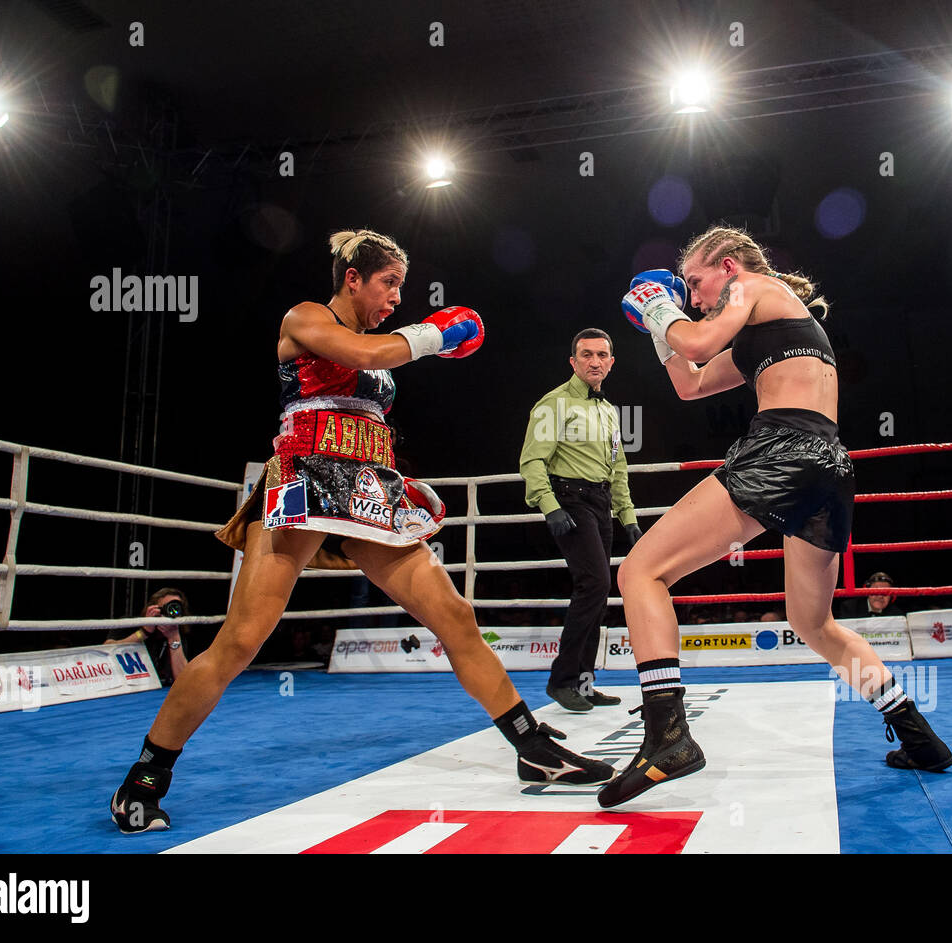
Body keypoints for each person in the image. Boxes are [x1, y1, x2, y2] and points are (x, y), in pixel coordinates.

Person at [108, 229, 613, 834]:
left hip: (368, 486)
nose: (397, 297)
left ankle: (532, 747)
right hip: (302, 481)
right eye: (389, 283)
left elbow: (374, 371)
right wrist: (435, 334)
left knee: (455, 616)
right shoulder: (305, 318)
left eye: (401, 286)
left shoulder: (376, 341)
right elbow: (365, 356)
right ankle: (146, 776)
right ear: (353, 279)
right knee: (239, 642)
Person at [600, 227, 952, 808]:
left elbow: (696, 341)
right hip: (829, 467)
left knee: (640, 572)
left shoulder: (754, 286)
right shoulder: (763, 328)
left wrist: (660, 308)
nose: (691, 296)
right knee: (814, 624)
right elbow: (691, 382)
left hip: (782, 451)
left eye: (694, 281)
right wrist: (659, 331)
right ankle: (920, 738)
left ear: (728, 266)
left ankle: (668, 736)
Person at [519, 329, 639, 711]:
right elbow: (532, 460)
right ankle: (562, 680)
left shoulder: (609, 410)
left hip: (600, 503)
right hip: (570, 499)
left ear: (611, 362)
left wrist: (628, 516)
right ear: (573, 361)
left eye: (602, 355)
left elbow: (618, 467)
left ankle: (584, 684)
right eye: (587, 354)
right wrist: (549, 505)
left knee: (598, 592)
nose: (594, 361)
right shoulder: (553, 403)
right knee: (595, 583)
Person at [105, 587, 192, 685]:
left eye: (176, 609)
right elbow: (106, 649)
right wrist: (144, 632)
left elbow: (184, 681)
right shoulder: (129, 623)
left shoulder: (177, 634)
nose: (171, 613)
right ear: (153, 609)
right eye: (166, 608)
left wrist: (173, 638)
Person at [837, 571, 904, 619]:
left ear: (891, 597)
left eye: (885, 593)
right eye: (876, 591)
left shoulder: (897, 615)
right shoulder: (850, 608)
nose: (880, 596)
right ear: (867, 591)